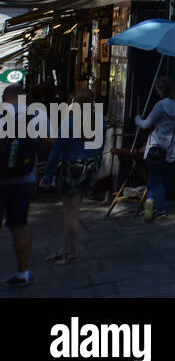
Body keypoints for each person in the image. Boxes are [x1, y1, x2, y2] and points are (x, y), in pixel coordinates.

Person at [39, 87, 102, 266]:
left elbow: (56, 151)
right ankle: (64, 250)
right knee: (73, 212)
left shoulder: (70, 121)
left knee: (70, 214)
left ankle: (72, 253)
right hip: (87, 168)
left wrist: (48, 174)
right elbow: (99, 149)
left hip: (71, 168)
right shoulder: (100, 121)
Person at [0, 86, 44, 287]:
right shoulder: (37, 113)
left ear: (6, 97)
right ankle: (23, 273)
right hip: (25, 179)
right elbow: (52, 141)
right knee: (20, 225)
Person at [134, 77, 175, 224]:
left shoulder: (161, 105)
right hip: (169, 147)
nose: (156, 93)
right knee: (159, 179)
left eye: (158, 90)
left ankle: (153, 206)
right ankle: (158, 209)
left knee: (153, 179)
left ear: (162, 90)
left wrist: (137, 118)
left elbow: (145, 124)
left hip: (155, 146)